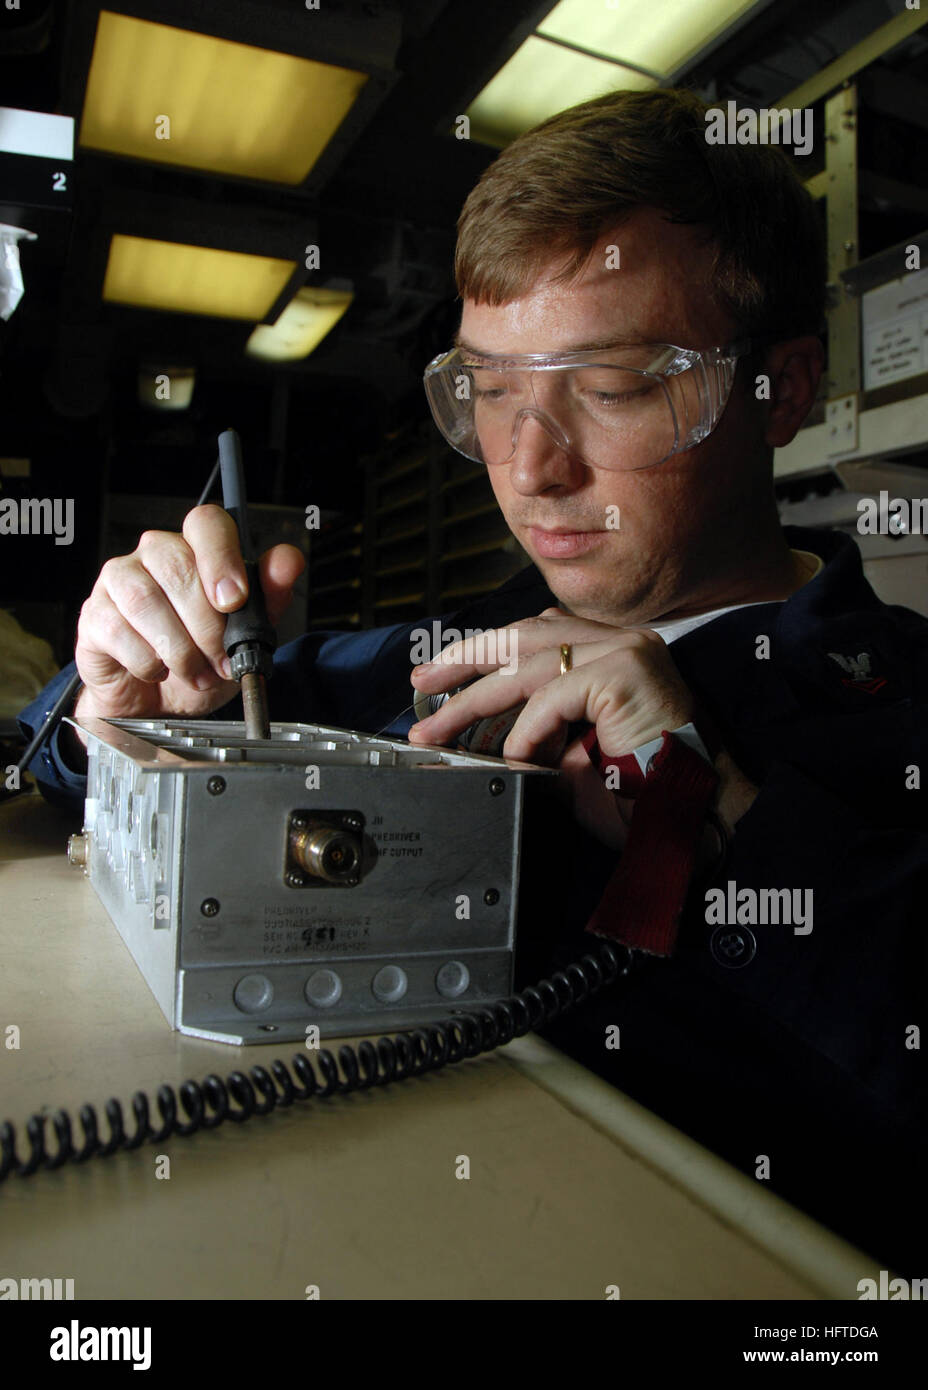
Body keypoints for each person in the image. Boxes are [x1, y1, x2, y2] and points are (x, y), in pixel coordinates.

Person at [18, 88, 927, 1276]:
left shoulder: (897, 706)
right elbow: (57, 758)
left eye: (609, 386)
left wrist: (716, 814)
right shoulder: (440, 654)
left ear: (783, 391)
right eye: (492, 391)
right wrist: (115, 710)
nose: (532, 468)